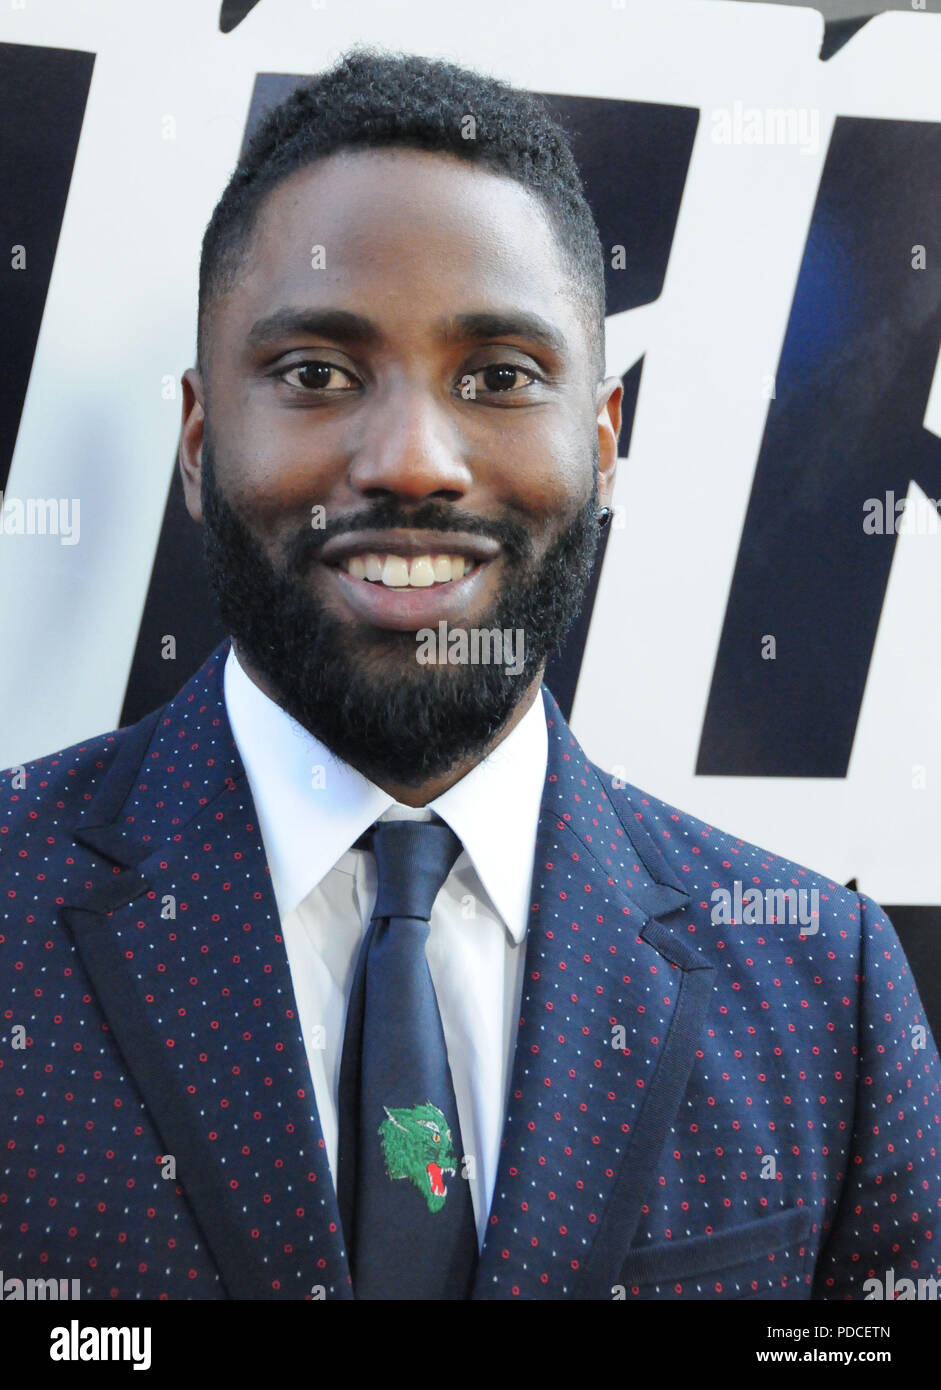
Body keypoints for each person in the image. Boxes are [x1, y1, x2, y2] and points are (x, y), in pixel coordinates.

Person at [1, 47, 938, 1303]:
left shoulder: (823, 991)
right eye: (316, 373)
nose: (411, 460)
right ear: (197, 438)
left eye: (498, 377)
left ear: (601, 445)